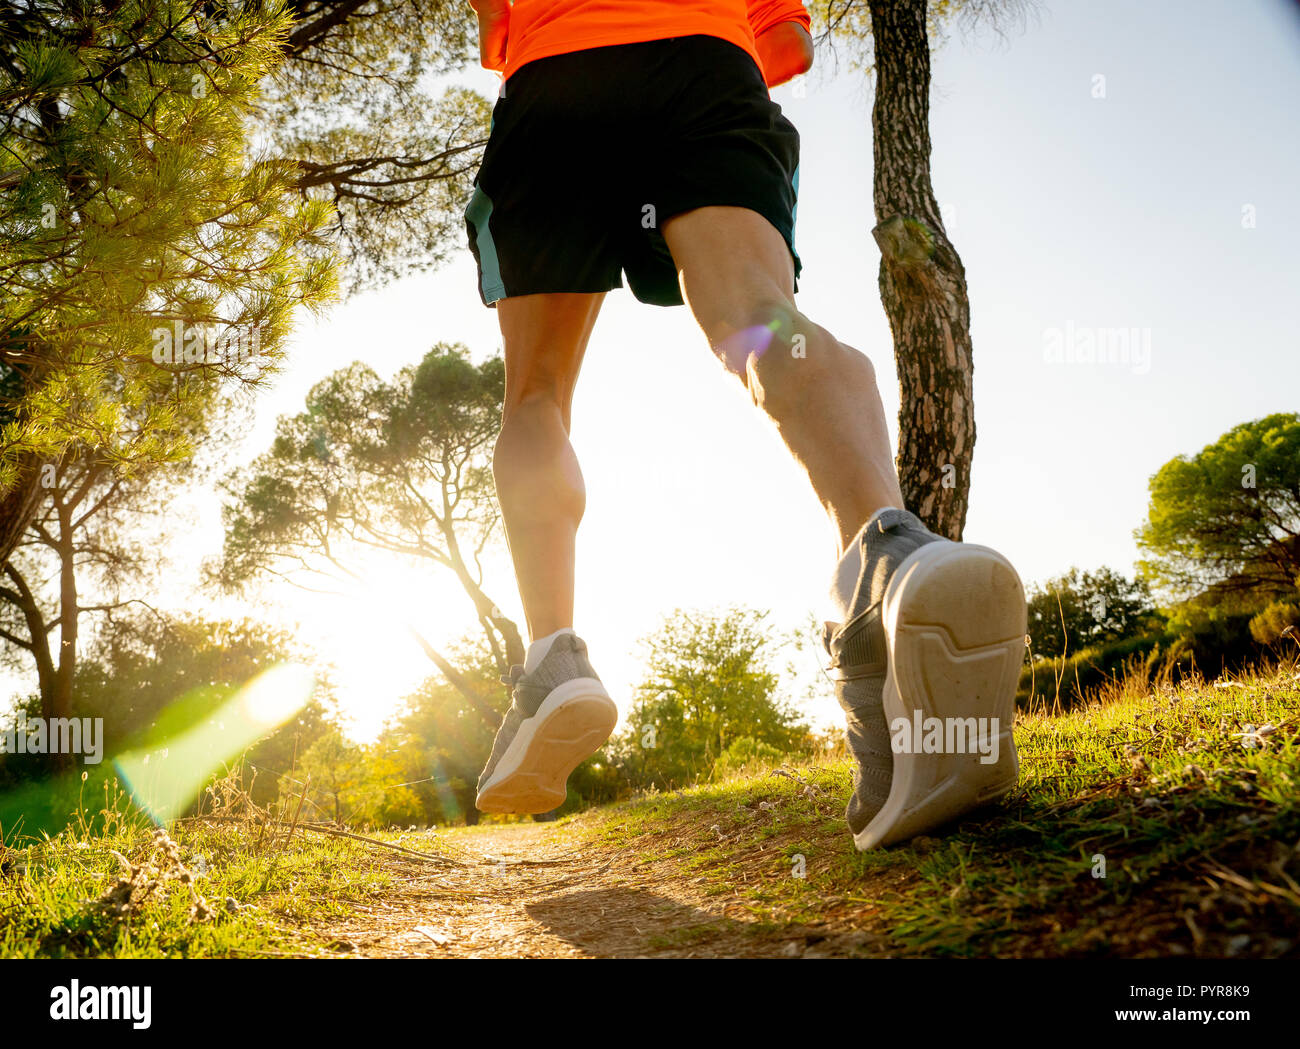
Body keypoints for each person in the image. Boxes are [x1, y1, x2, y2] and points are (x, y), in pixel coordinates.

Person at [463, 0, 1027, 849]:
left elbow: (492, 24)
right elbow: (790, 36)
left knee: (536, 396)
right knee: (758, 321)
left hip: (558, 76)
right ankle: (888, 561)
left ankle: (552, 662)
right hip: (706, 64)